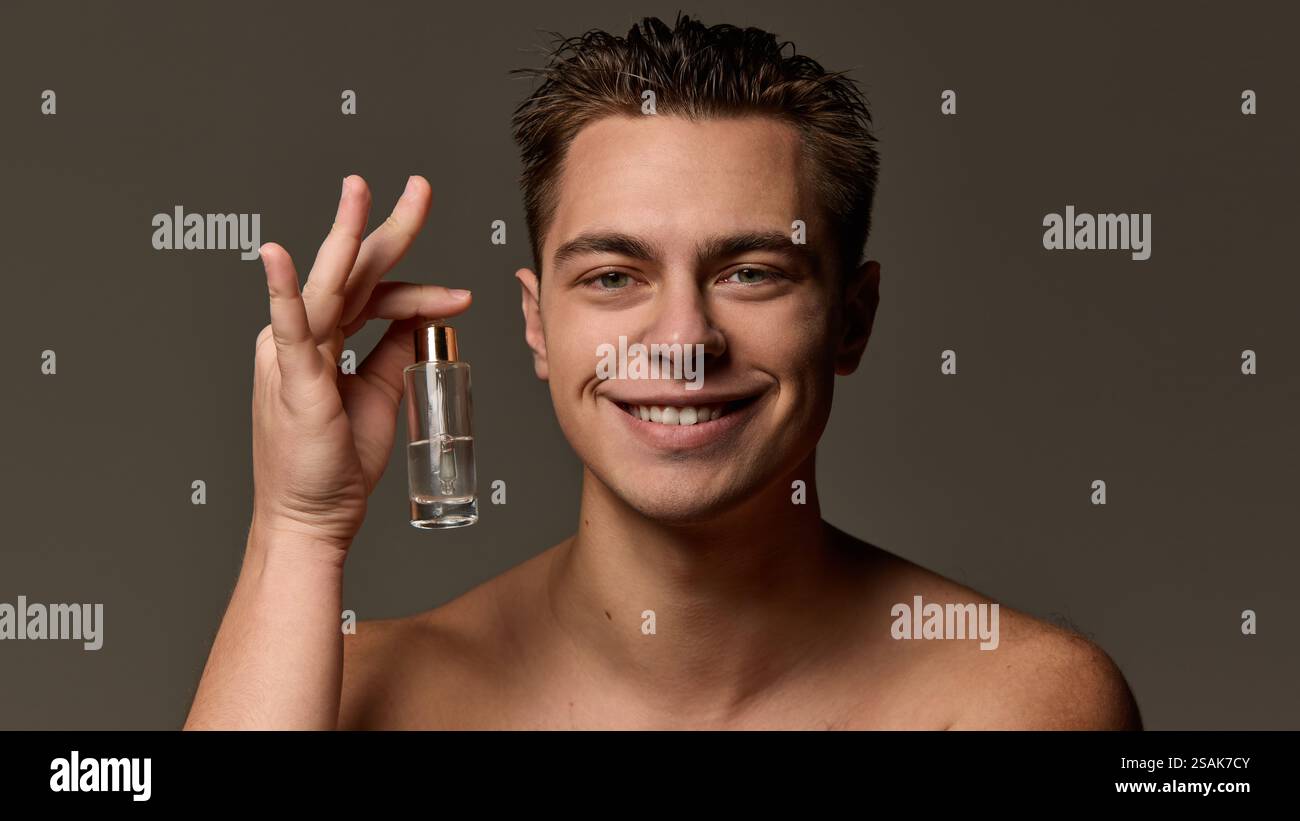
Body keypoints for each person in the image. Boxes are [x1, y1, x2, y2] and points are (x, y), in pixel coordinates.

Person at [185, 14, 1141, 730]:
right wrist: (298, 531)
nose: (682, 337)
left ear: (852, 319)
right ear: (537, 325)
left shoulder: (1011, 699)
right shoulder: (357, 691)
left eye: (752, 271)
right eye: (613, 275)